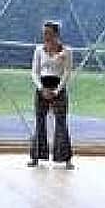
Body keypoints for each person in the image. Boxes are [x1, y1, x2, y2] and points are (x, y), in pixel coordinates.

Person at [29, 21, 73, 169]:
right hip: (42, 87)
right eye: (44, 32)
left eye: (48, 32)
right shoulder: (39, 50)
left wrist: (57, 90)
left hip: (58, 87)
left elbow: (67, 72)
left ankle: (65, 158)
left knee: (61, 122)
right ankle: (36, 156)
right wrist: (41, 88)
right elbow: (34, 72)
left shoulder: (66, 51)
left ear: (56, 34)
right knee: (39, 121)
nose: (45, 35)